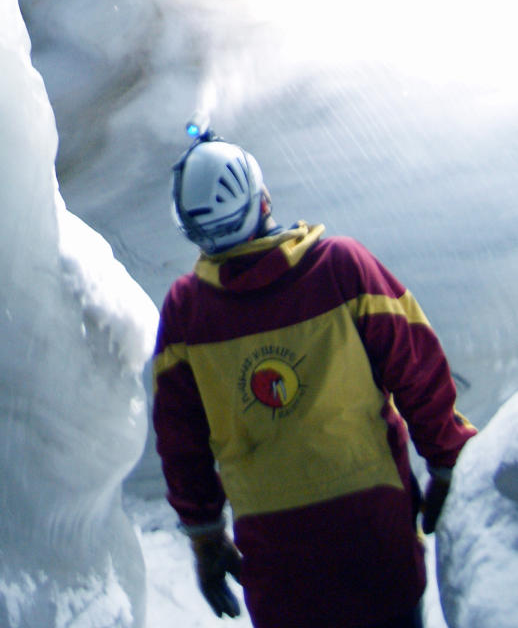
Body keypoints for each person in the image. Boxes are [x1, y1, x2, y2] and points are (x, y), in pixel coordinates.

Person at [151, 127, 476, 628]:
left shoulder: (186, 312)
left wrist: (206, 538)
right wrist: (448, 460)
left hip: (279, 562)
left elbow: (181, 442)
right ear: (263, 203)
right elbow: (418, 369)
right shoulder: (342, 268)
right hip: (377, 538)